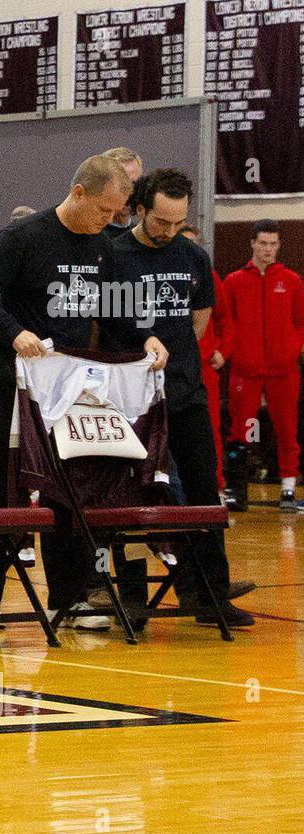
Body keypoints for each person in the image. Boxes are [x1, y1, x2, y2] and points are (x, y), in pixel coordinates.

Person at [0, 153, 169, 631]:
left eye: (117, 214)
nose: (110, 221)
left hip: (72, 382)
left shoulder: (103, 246)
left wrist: (145, 338)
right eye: (103, 211)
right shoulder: (24, 237)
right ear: (78, 194)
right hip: (16, 379)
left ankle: (68, 597)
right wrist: (13, 332)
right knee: (4, 481)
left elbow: (118, 311)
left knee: (70, 485)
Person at [99, 168, 252, 627]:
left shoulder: (192, 255)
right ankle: (129, 594)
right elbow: (100, 322)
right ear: (139, 210)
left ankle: (207, 594)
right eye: (160, 221)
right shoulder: (111, 255)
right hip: (126, 397)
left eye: (177, 221)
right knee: (124, 492)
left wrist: (177, 357)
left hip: (184, 392)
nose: (168, 230)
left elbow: (198, 321)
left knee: (203, 490)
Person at [222, 219, 304, 511]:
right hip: (246, 370)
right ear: (253, 243)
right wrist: (233, 353)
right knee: (239, 431)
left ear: (279, 245)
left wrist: (292, 350)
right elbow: (226, 324)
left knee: (287, 429)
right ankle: (235, 489)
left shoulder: (292, 281)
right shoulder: (233, 282)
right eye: (263, 243)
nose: (268, 250)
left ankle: (287, 489)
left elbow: (300, 322)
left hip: (284, 371)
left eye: (273, 244)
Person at [180, 222, 234, 493]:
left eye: (194, 243)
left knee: (210, 431)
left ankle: (217, 489)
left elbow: (226, 320)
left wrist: (223, 351)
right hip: (171, 367)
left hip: (204, 369)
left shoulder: (209, 276)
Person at [102, 145, 143, 236]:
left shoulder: (143, 238)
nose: (130, 193)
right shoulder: (87, 237)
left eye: (134, 184)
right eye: (122, 185)